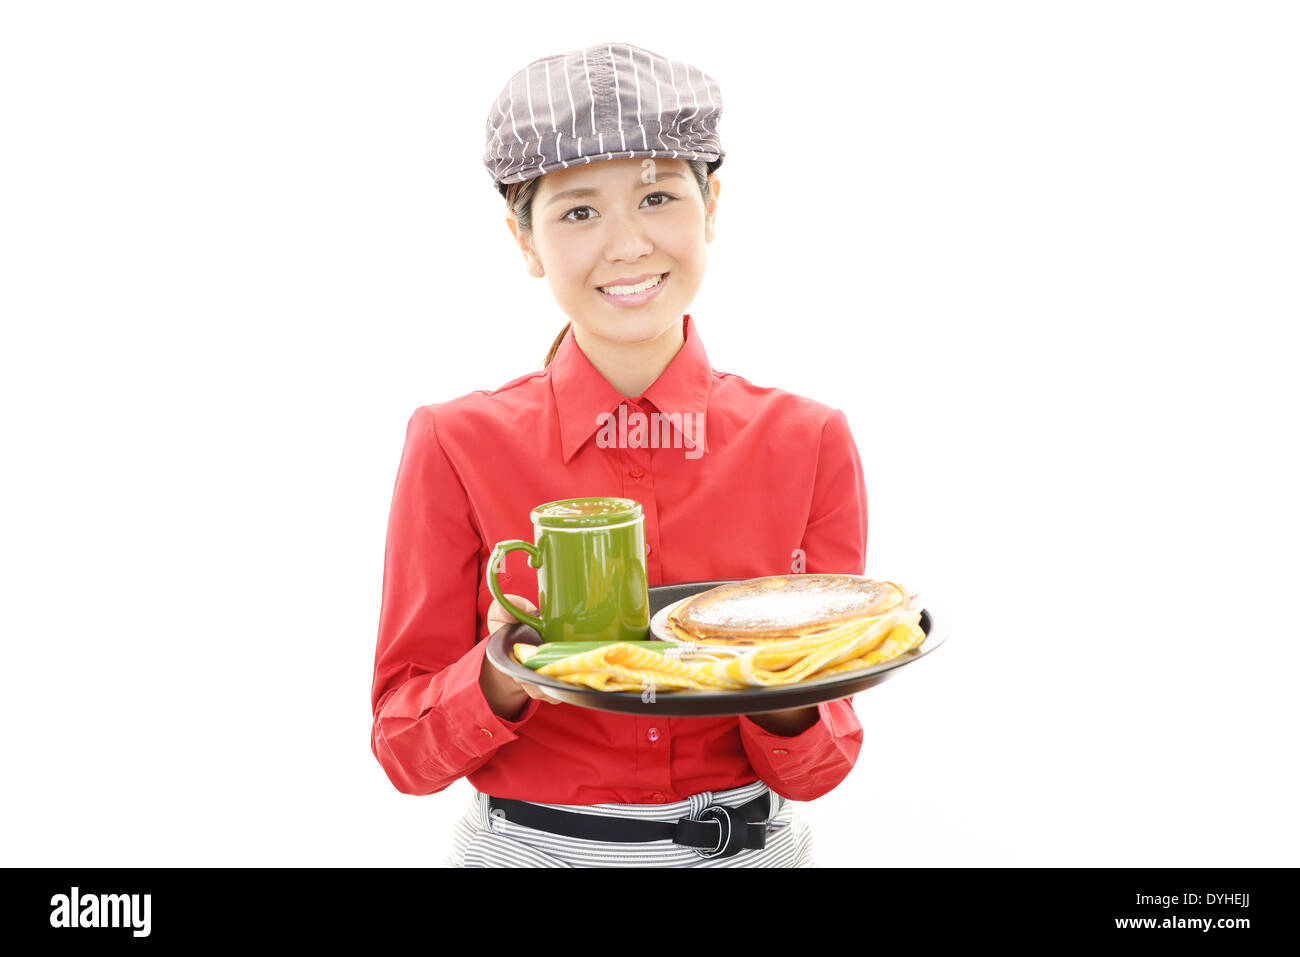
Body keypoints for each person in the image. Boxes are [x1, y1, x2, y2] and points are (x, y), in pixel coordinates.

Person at [370, 42, 869, 867]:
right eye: (577, 212)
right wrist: (501, 672)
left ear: (711, 206)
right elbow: (402, 748)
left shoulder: (809, 439)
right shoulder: (453, 442)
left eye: (658, 195)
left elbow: (824, 765)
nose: (628, 244)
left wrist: (780, 679)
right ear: (524, 240)